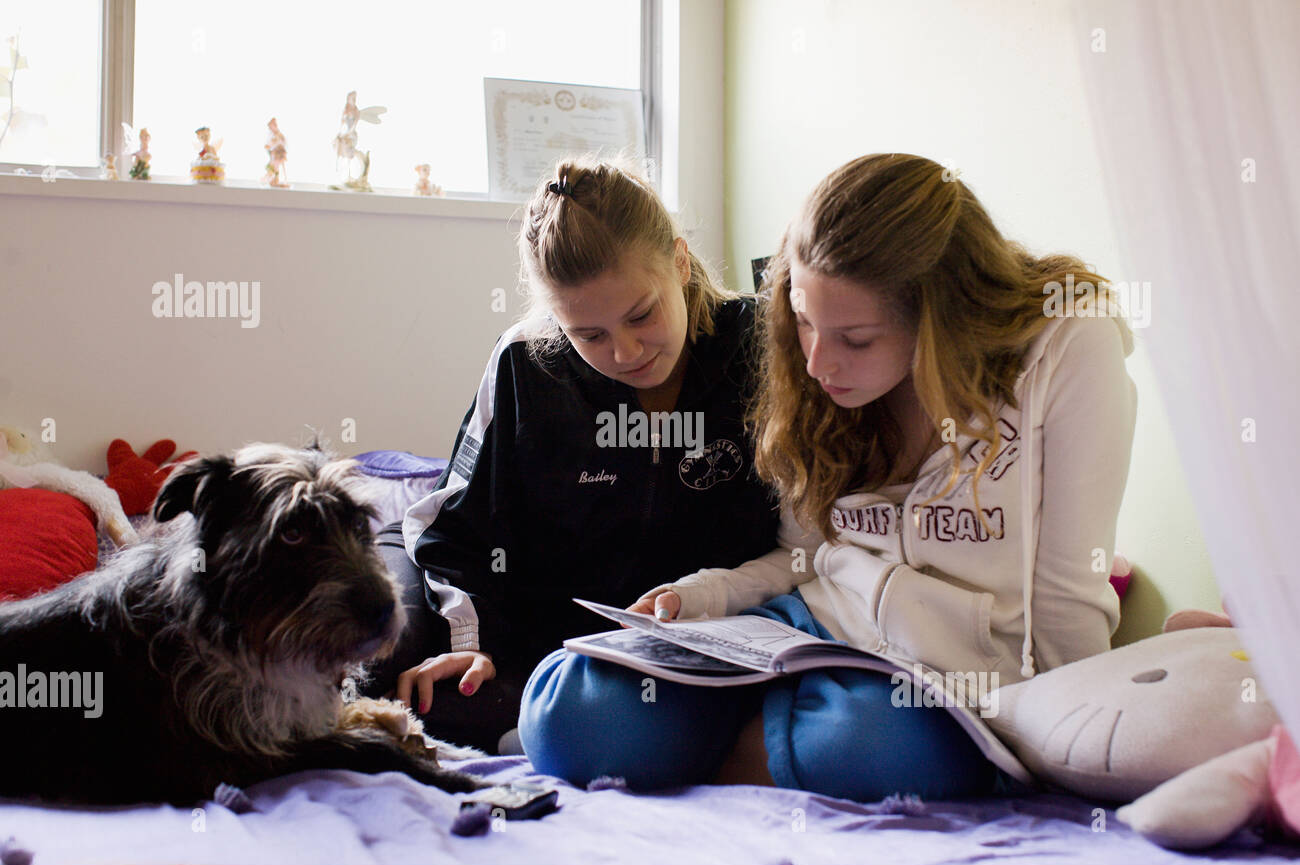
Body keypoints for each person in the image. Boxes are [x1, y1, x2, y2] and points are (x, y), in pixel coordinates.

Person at [518, 153, 1139, 801]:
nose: (816, 362)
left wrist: (1072, 748)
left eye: (856, 339)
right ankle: (759, 744)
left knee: (867, 748)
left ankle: (723, 745)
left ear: (939, 314)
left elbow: (1069, 593)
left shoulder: (1067, 349)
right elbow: (803, 557)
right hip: (806, 629)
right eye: (805, 322)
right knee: (574, 712)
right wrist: (704, 595)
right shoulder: (808, 354)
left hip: (942, 668)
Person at [358, 159, 781, 754]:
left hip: (692, 631)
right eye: (590, 335)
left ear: (680, 263)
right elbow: (447, 525)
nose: (627, 351)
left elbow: (806, 538)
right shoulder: (525, 363)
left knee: (616, 723)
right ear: (556, 320)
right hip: (522, 617)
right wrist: (470, 642)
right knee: (383, 679)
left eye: (642, 315)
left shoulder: (762, 348)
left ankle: (543, 727)